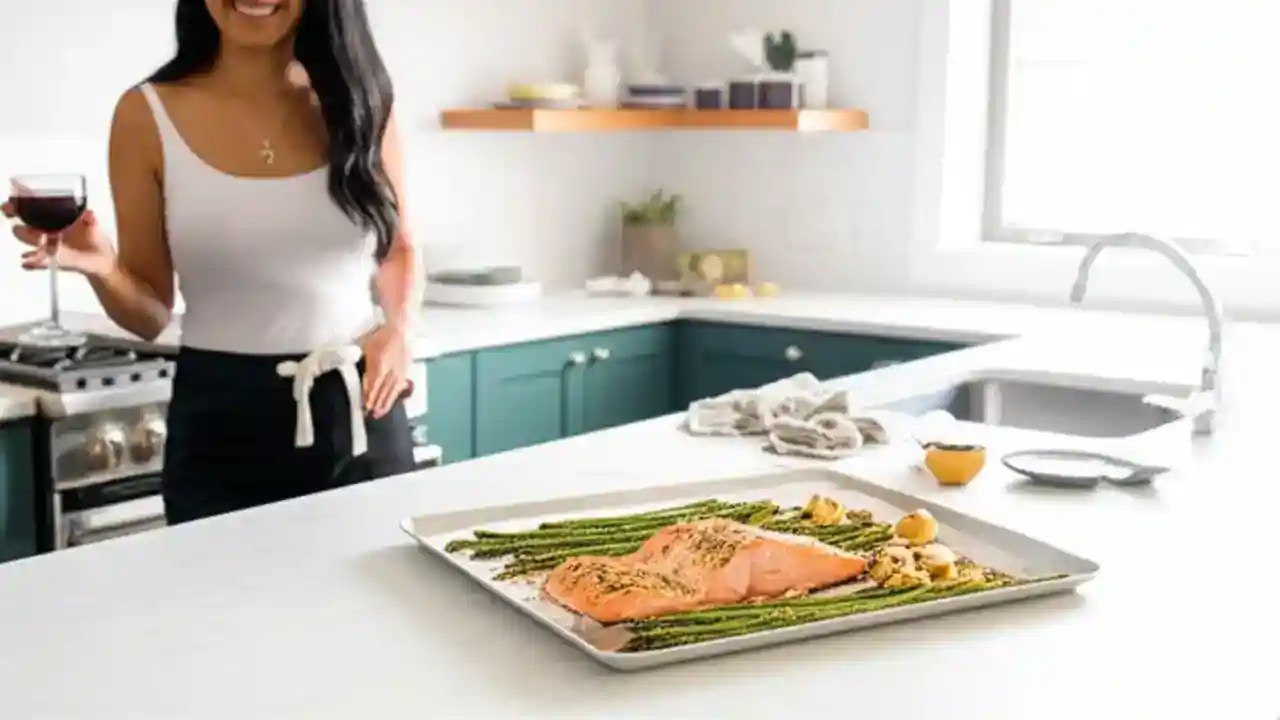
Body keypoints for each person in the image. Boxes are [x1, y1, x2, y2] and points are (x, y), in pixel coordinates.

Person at [4, 0, 417, 523]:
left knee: (372, 603)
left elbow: (401, 248)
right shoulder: (145, 115)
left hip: (358, 409)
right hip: (220, 422)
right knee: (218, 604)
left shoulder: (365, 101)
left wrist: (400, 329)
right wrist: (105, 268)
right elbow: (150, 316)